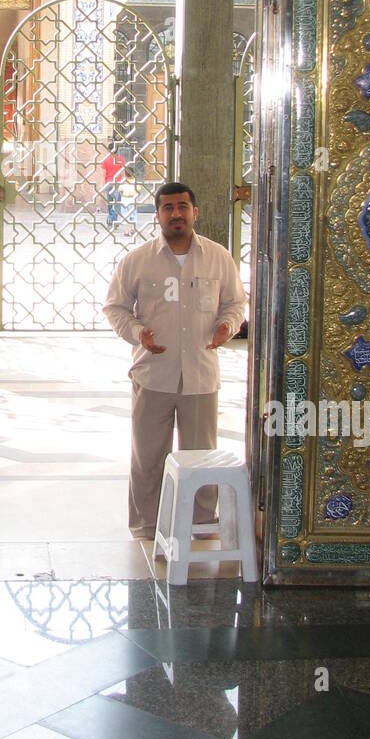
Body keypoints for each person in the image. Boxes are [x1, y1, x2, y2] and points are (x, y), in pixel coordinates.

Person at [103, 181, 246, 542]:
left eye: (183, 206)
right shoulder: (137, 261)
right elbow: (115, 308)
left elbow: (235, 304)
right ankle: (147, 525)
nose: (176, 214)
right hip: (153, 375)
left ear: (195, 212)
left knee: (200, 456)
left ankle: (199, 523)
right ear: (159, 215)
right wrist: (138, 333)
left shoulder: (218, 258)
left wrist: (227, 326)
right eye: (168, 208)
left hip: (200, 373)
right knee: (149, 455)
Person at [102, 142, 126, 226]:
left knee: (110, 202)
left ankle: (111, 218)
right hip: (118, 183)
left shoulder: (106, 160)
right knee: (116, 202)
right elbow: (123, 172)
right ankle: (113, 219)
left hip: (108, 183)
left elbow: (103, 174)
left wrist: (103, 185)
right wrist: (124, 182)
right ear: (117, 150)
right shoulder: (121, 159)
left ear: (109, 150)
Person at [118, 167, 137, 238]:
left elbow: (120, 190)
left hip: (125, 200)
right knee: (133, 214)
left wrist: (123, 194)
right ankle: (133, 229)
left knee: (126, 215)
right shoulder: (135, 181)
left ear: (125, 174)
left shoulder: (123, 181)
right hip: (133, 200)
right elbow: (138, 189)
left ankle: (126, 231)